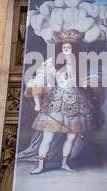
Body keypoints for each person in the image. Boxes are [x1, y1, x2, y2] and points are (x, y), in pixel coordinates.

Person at [24, 40, 92, 174]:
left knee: (72, 137)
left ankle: (64, 163)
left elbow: (85, 78)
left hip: (75, 100)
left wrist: (85, 82)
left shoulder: (79, 63)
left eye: (69, 47)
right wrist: (37, 100)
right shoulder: (51, 62)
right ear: (60, 49)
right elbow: (39, 80)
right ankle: (40, 165)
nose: (66, 49)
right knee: (47, 137)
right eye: (64, 47)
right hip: (56, 101)